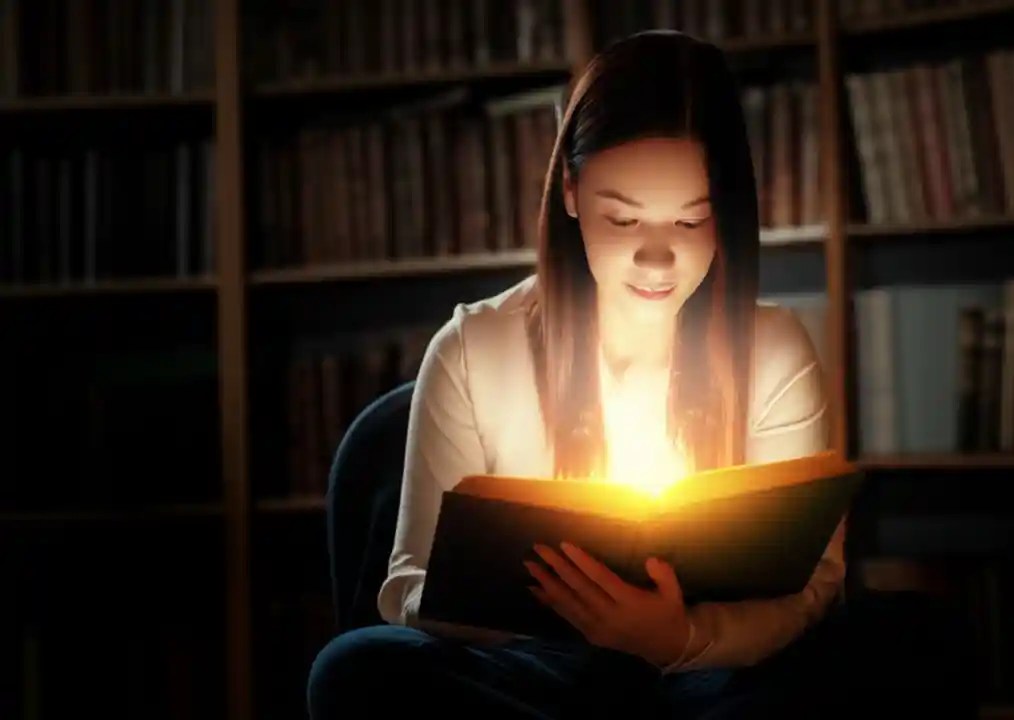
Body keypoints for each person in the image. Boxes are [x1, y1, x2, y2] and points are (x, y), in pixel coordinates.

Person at [308, 30, 977, 719]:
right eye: (623, 219)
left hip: (714, 674)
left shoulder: (772, 349)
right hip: (536, 672)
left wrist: (679, 637)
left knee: (920, 640)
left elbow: (811, 590)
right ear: (570, 192)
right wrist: (571, 618)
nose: (656, 261)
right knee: (353, 668)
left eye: (690, 222)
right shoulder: (476, 348)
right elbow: (408, 591)